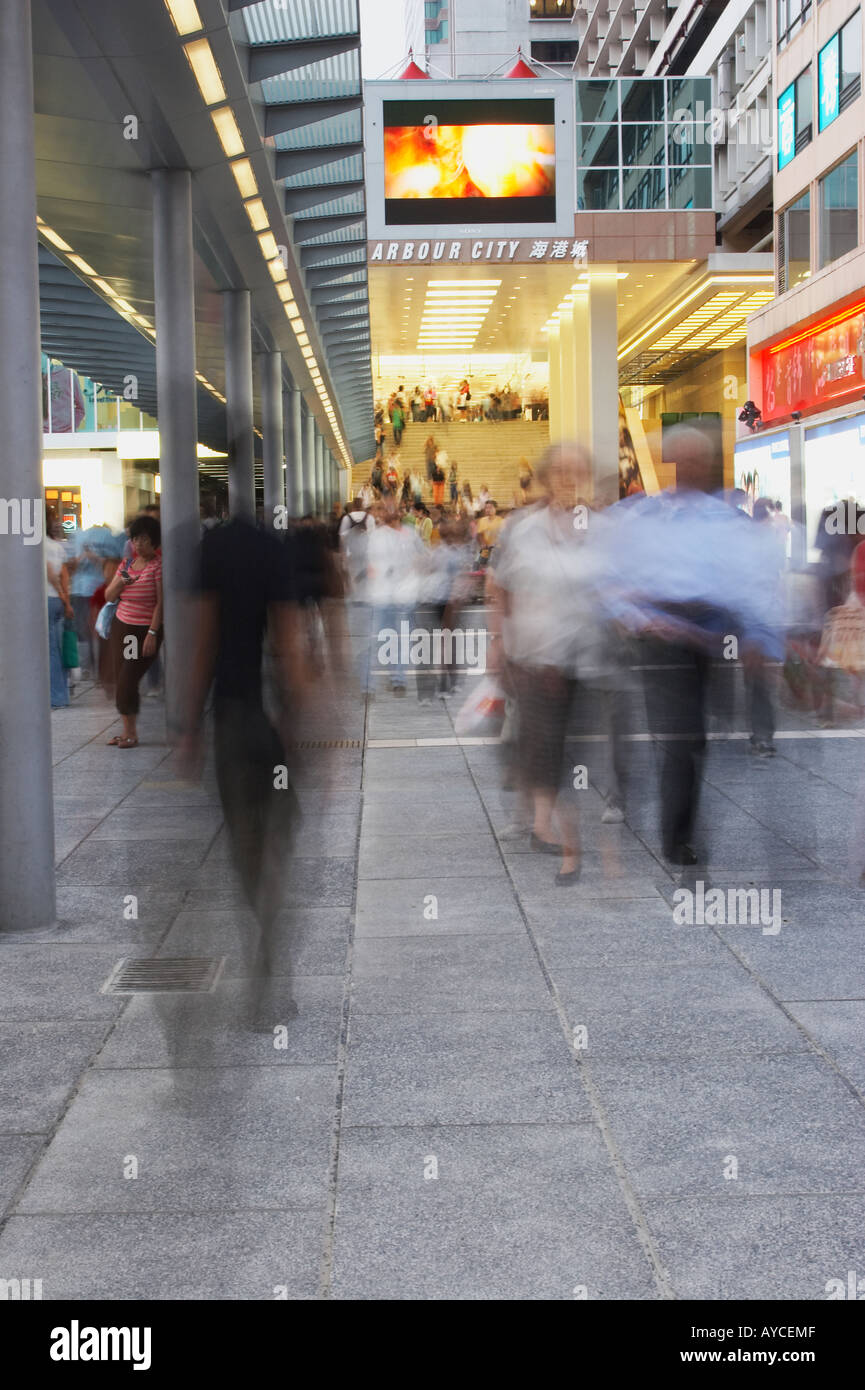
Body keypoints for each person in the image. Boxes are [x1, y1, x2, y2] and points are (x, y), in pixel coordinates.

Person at [103, 514, 163, 748]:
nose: (139, 544)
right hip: (123, 627)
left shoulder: (157, 566)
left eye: (145, 540)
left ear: (154, 541)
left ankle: (131, 733)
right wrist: (122, 582)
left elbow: (160, 603)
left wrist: (153, 633)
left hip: (144, 630)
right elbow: (109, 595)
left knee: (128, 681)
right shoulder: (127, 565)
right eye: (136, 539)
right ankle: (128, 731)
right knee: (123, 681)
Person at [46, 515, 73, 708]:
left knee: (50, 651)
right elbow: (63, 574)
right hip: (57, 601)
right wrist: (66, 600)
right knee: (58, 649)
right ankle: (62, 693)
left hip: (47, 599)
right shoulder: (56, 545)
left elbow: (50, 575)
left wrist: (62, 596)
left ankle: (57, 697)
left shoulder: (39, 545)